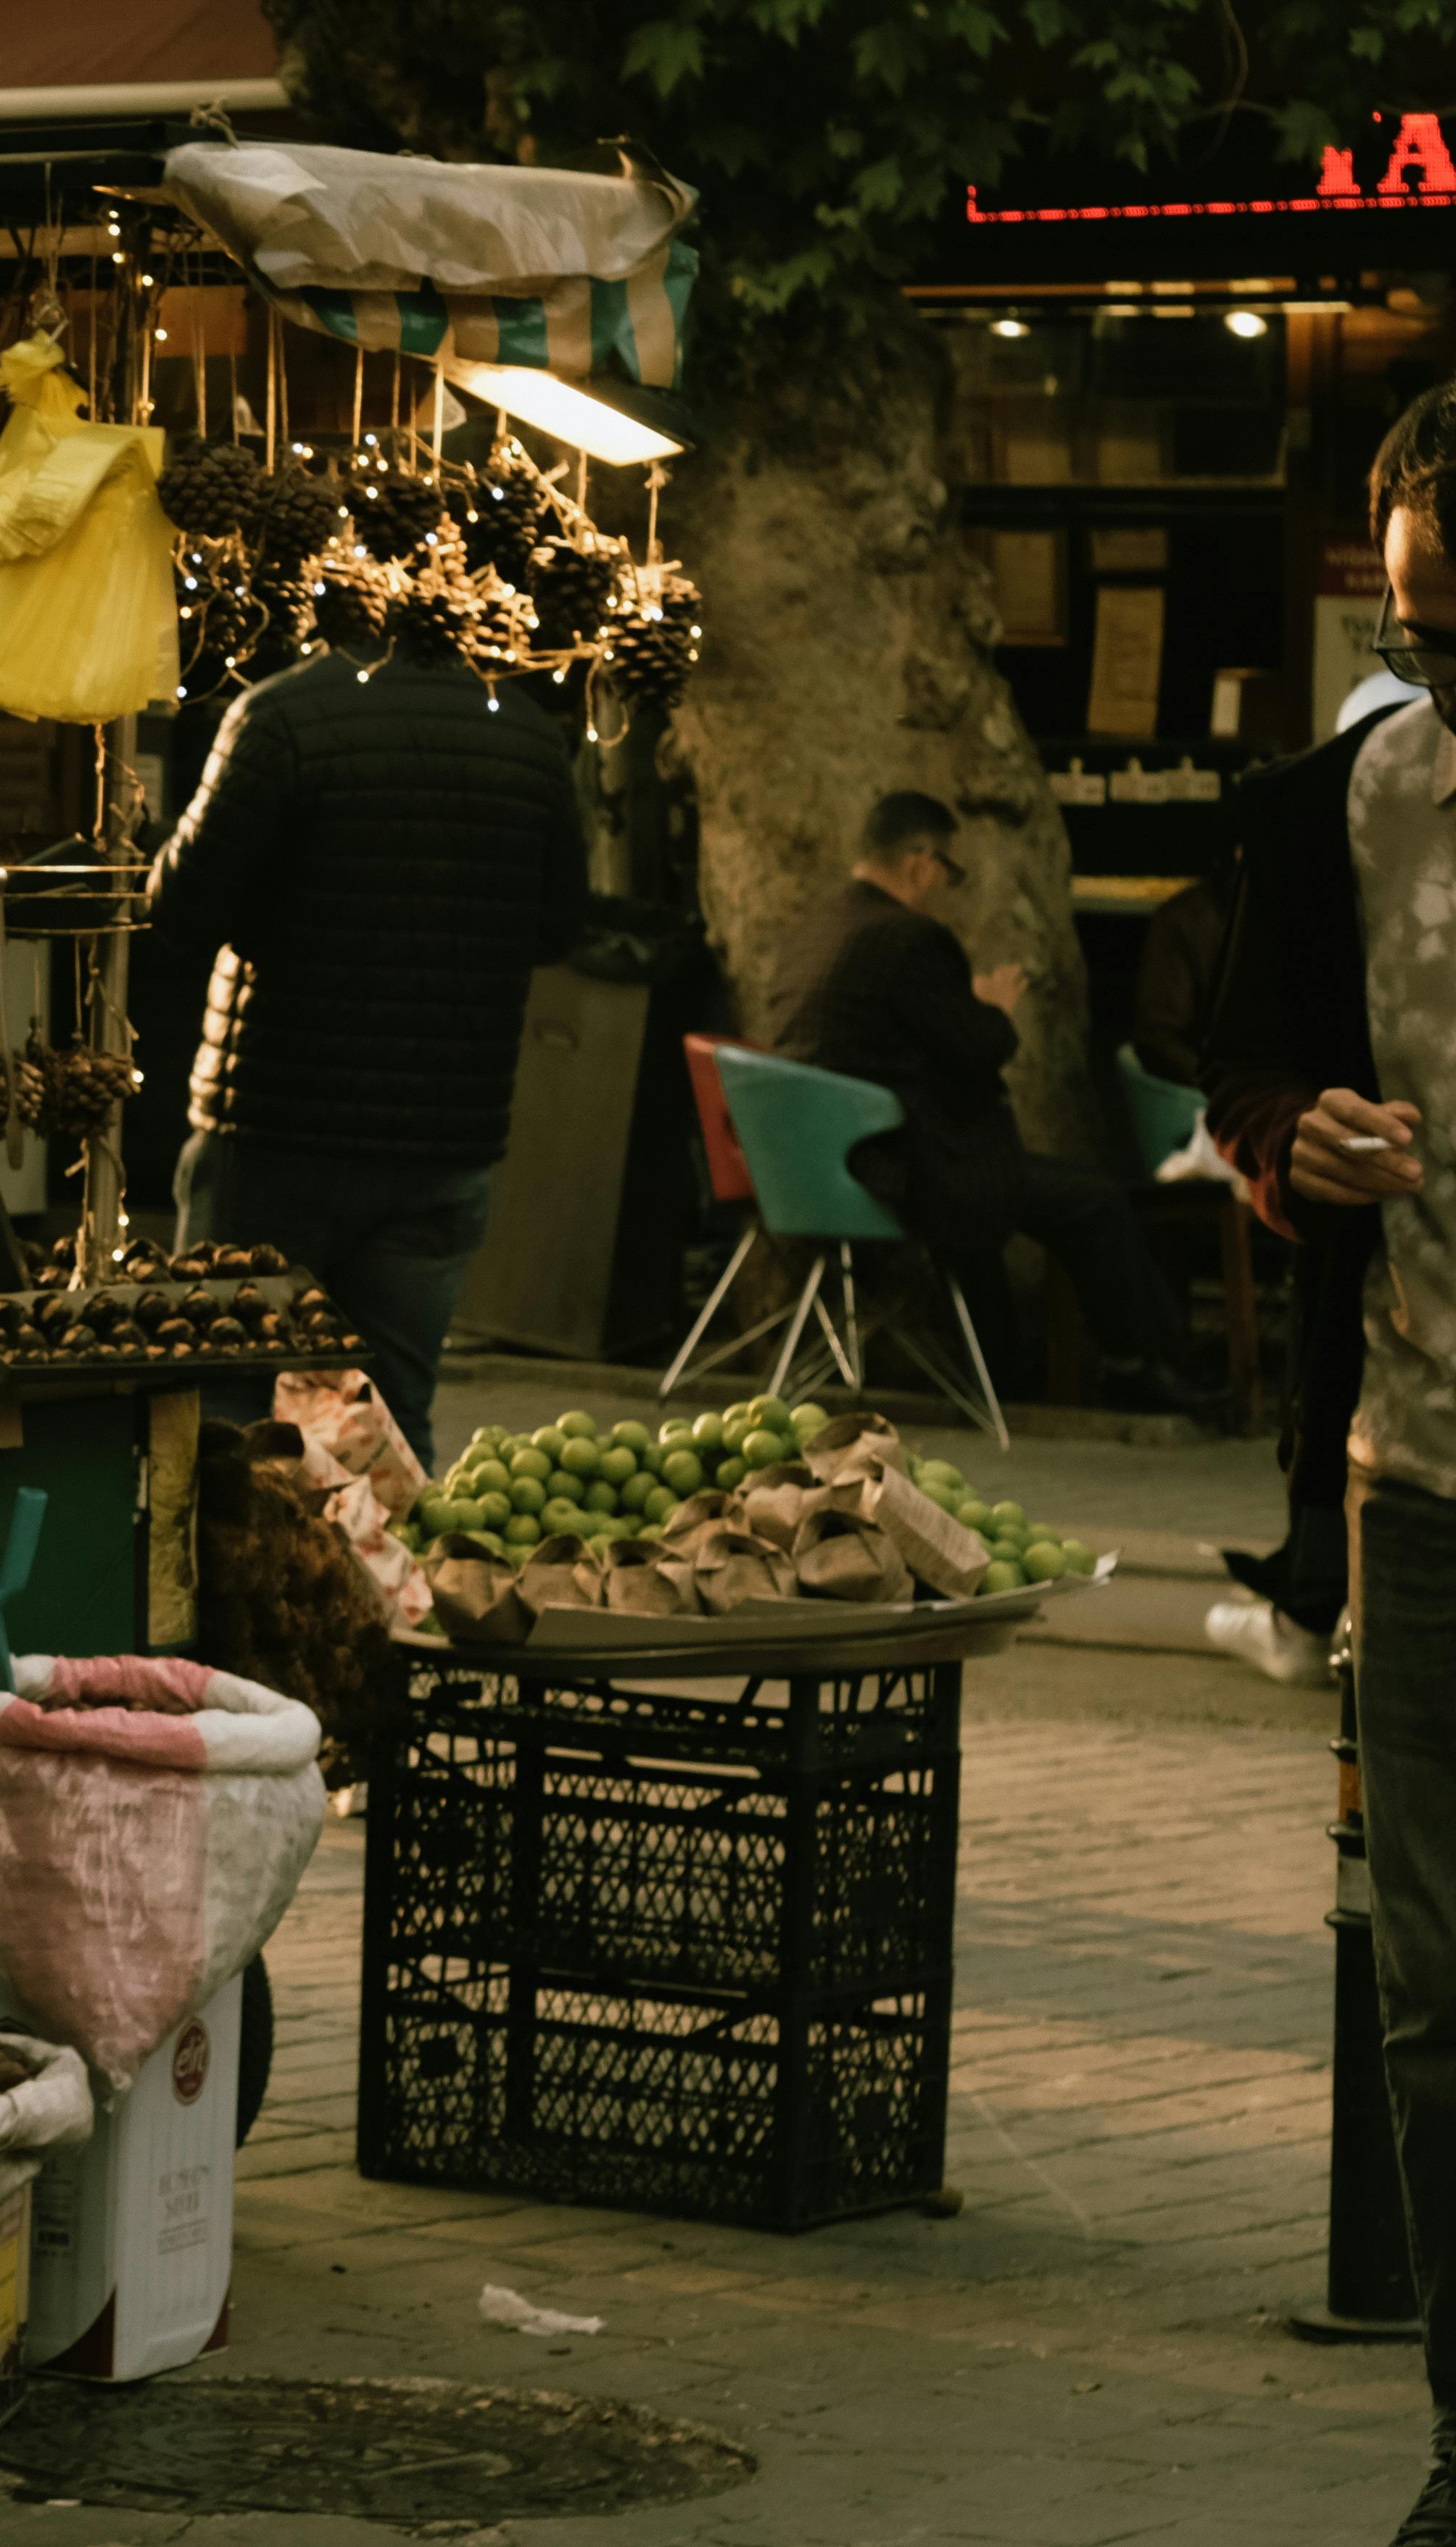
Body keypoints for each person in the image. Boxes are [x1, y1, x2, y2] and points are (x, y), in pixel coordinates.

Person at [1205, 384, 1456, 2547]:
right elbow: (1243, 1057)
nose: (1444, 675)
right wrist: (1292, 1136)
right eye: (1422, 630)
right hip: (1422, 1468)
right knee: (1431, 2002)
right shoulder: (1338, 804)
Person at [144, 627, 585, 1461]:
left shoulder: (279, 716)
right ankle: (387, 1589)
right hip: (443, 1136)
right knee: (392, 1418)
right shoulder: (528, 733)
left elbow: (179, 916)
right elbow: (559, 926)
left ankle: (214, 1589)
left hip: (276, 1124)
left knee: (224, 1406)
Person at [774, 790, 1201, 1413]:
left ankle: (1007, 1372)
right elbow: (978, 1049)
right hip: (895, 1171)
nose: (944, 887)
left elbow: (891, 1023)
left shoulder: (817, 927)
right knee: (1094, 1199)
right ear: (922, 861)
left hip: (806, 1168)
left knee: (1010, 1188)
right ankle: (1140, 1366)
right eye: (948, 870)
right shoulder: (911, 937)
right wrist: (994, 1007)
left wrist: (957, 999)